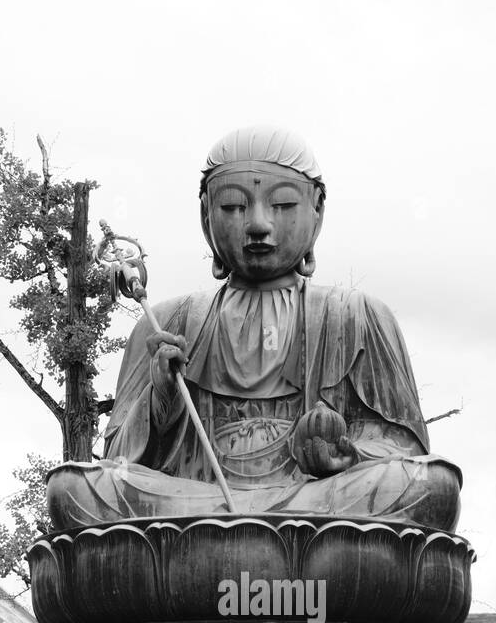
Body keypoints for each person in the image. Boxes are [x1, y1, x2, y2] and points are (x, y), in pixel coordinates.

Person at [46, 126, 462, 530]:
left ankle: (233, 533)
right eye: (233, 207)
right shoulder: (170, 322)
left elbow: (404, 450)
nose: (258, 224)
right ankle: (249, 532)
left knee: (431, 488)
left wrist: (343, 452)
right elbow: (118, 461)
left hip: (315, 500)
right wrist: (162, 395)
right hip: (195, 499)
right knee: (73, 491)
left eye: (282, 205)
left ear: (317, 210)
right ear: (206, 215)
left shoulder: (354, 316)